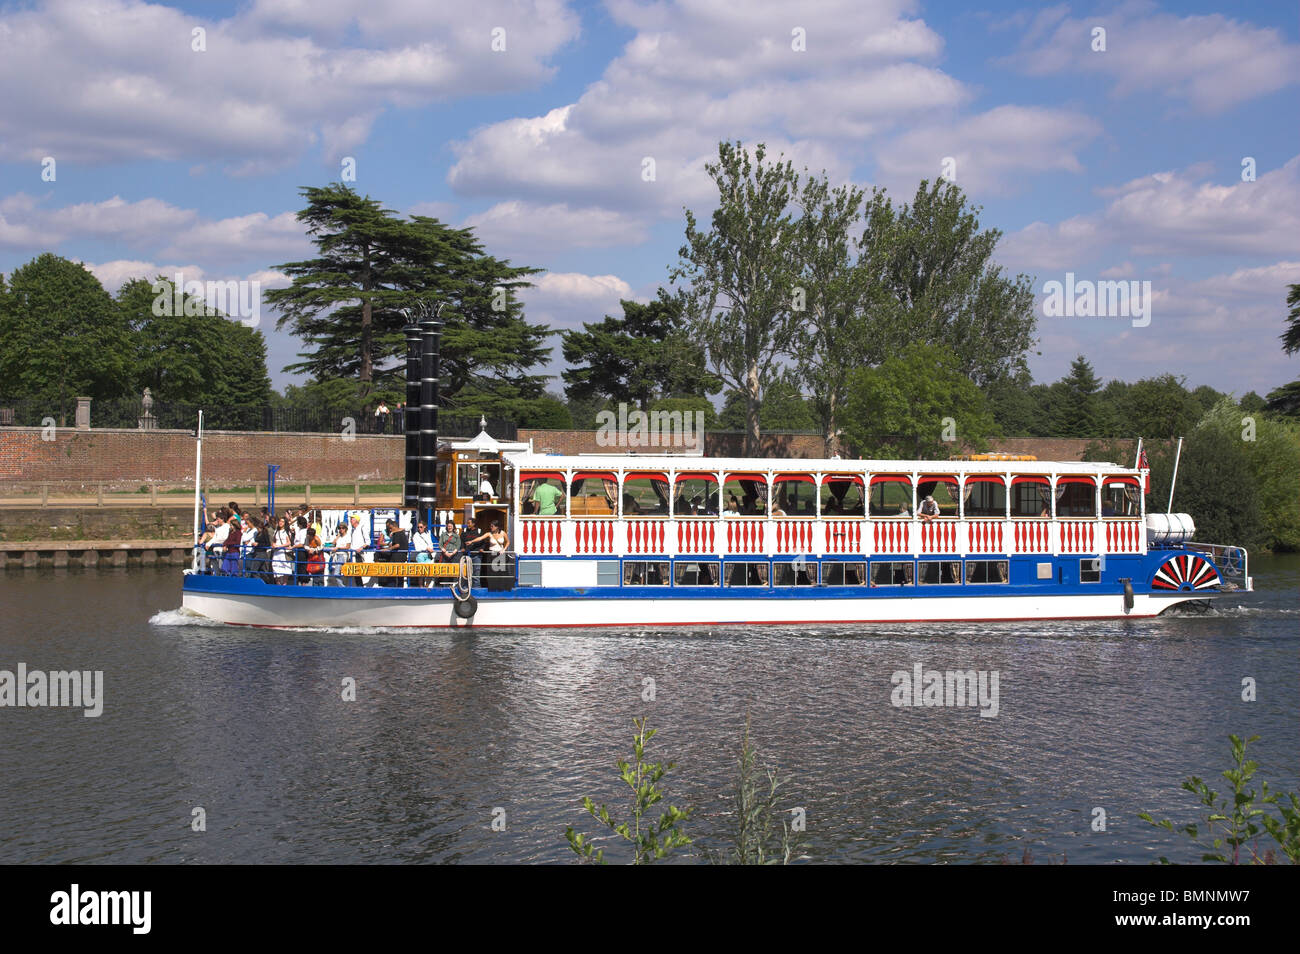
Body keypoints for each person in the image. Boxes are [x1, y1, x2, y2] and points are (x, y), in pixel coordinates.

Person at [378, 518, 409, 587]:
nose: (390, 530)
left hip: (397, 557)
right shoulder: (402, 533)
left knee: (393, 574)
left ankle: (392, 588)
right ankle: (399, 588)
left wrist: (388, 549)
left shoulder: (397, 534)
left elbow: (397, 545)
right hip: (403, 556)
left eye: (391, 528)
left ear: (395, 527)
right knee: (400, 575)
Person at [271, 516, 294, 584]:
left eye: (282, 521)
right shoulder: (276, 531)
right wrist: (273, 545)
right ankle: (278, 583)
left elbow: (289, 542)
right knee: (275, 567)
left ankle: (284, 583)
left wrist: (279, 546)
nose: (280, 523)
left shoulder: (286, 532)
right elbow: (274, 541)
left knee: (285, 568)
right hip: (276, 552)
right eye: (280, 521)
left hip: (283, 552)